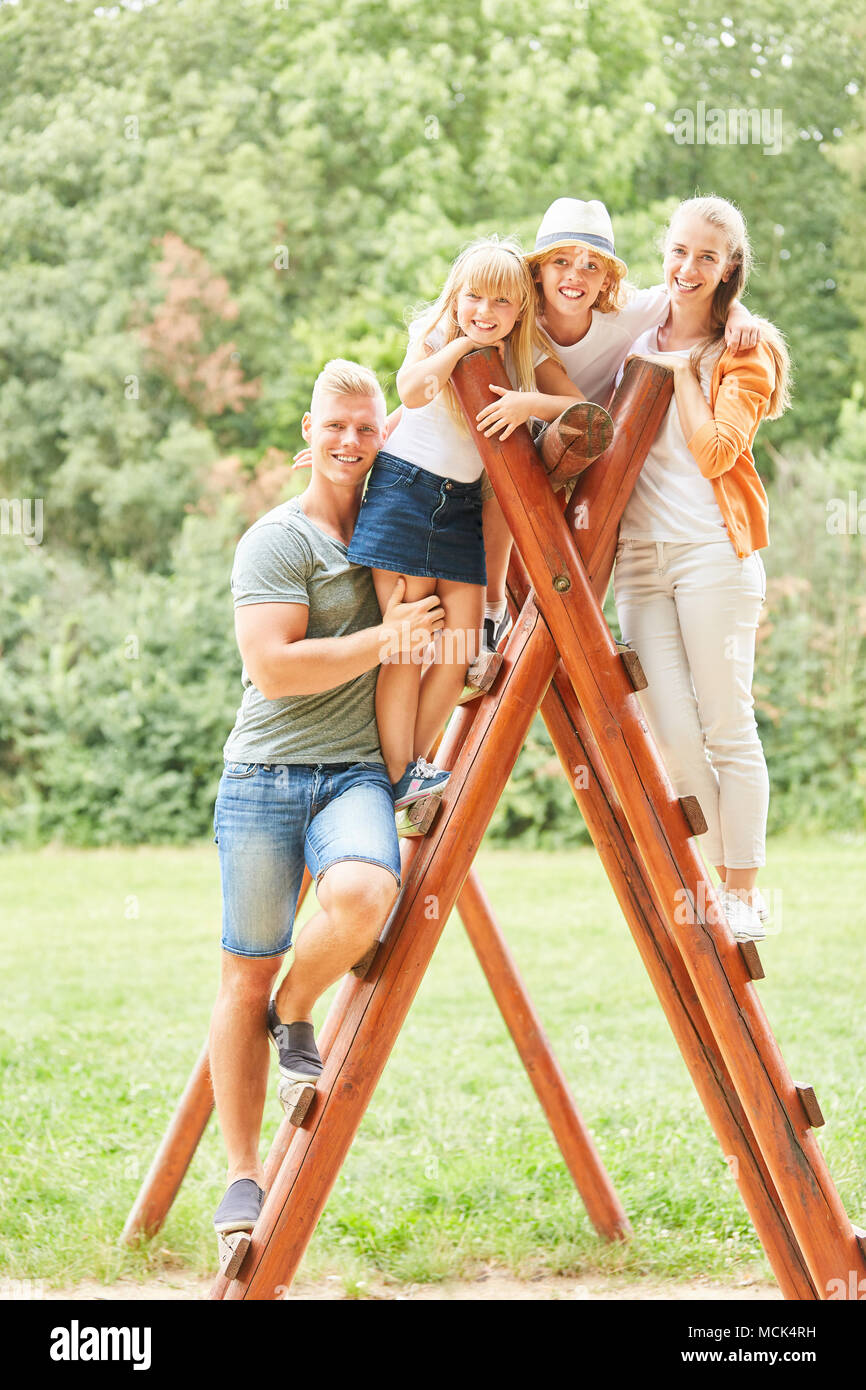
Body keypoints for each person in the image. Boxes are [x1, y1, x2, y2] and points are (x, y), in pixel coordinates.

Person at [209, 359, 445, 1240]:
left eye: (365, 427)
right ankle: (242, 1176)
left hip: (353, 772)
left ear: (382, 434)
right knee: (243, 974)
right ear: (308, 433)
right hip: (262, 778)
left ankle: (296, 1007)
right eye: (334, 425)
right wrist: (386, 641)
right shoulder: (277, 540)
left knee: (364, 895)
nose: (350, 440)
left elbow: (441, 443)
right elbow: (273, 670)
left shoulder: (390, 527)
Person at [345, 235, 584, 806]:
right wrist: (460, 347)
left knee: (460, 653)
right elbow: (411, 391)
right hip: (405, 492)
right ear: (455, 296)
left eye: (502, 302)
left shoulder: (525, 354)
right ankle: (398, 773)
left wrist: (528, 403)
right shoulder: (434, 334)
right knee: (408, 642)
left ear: (521, 309)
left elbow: (581, 409)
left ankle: (406, 773)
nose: (485, 311)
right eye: (474, 297)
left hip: (461, 508)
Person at [612, 195, 791, 942]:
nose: (688, 268)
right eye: (679, 250)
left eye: (706, 258)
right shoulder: (632, 332)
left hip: (713, 553)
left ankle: (741, 893)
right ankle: (719, 881)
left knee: (726, 725)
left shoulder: (746, 350)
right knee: (672, 735)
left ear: (729, 269)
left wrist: (684, 373)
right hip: (637, 562)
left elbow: (717, 451)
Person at [473, 198, 762, 644]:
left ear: (607, 279)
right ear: (537, 271)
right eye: (561, 262)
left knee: (595, 530)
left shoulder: (627, 317)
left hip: (588, 451)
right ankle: (493, 612)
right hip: (518, 446)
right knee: (497, 488)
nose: (575, 276)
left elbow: (692, 290)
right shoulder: (513, 317)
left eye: (591, 266)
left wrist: (740, 312)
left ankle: (580, 627)